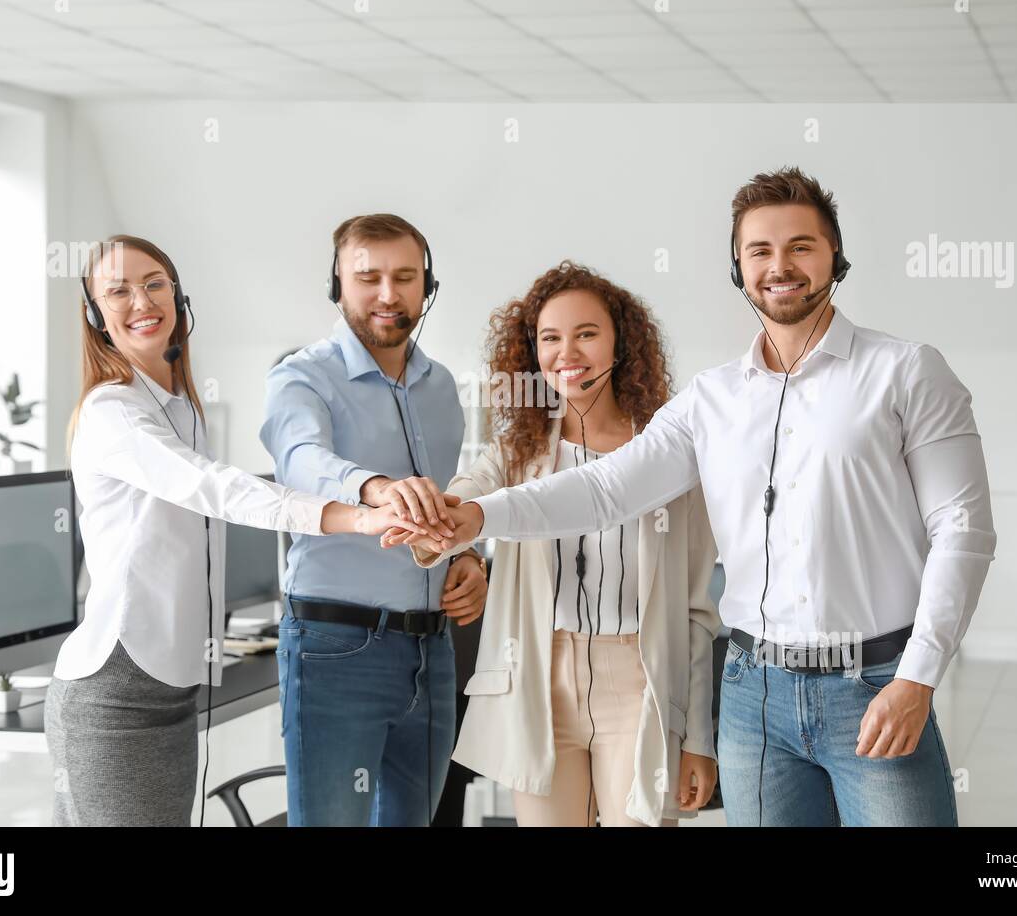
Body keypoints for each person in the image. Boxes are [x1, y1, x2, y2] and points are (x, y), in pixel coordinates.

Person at [399, 168, 998, 826]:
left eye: (801, 246)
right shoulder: (712, 400)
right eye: (760, 251)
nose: (780, 266)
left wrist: (919, 676)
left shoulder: (907, 371)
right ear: (738, 268)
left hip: (874, 681)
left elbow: (962, 530)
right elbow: (606, 488)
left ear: (836, 256)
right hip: (754, 695)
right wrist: (479, 516)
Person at [45, 235, 436, 827]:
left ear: (178, 297)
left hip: (171, 694)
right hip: (115, 696)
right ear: (97, 317)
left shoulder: (178, 406)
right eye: (118, 291)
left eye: (154, 284)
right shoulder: (112, 412)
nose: (142, 301)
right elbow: (217, 488)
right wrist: (357, 515)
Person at [389, 262, 719, 826]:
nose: (568, 351)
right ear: (532, 353)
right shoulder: (517, 451)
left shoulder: (669, 457)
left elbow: (695, 609)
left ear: (621, 341)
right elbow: (465, 501)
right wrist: (447, 536)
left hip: (638, 682)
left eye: (587, 333)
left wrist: (700, 739)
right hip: (540, 682)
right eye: (550, 338)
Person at [260, 213, 483, 826]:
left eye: (405, 277)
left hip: (433, 648)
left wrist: (464, 559)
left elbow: (445, 507)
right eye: (369, 278)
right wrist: (373, 486)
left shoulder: (441, 389)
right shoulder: (302, 377)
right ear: (337, 285)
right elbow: (301, 460)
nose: (388, 294)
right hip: (336, 649)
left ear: (427, 286)